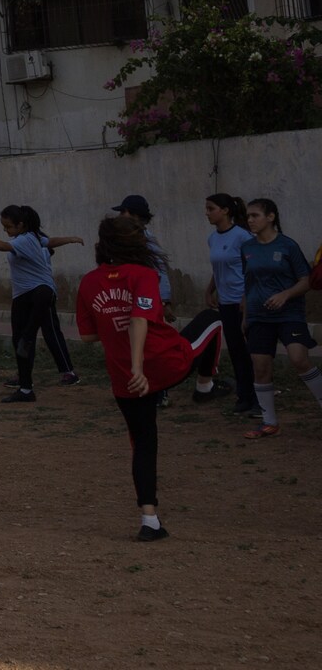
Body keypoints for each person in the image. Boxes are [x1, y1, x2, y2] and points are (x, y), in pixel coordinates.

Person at [72, 216, 225, 541]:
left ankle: (149, 520)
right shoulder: (143, 274)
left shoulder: (88, 282)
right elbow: (140, 319)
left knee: (143, 444)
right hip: (166, 363)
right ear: (136, 244)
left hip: (125, 379)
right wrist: (140, 364)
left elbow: (86, 337)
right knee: (214, 318)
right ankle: (205, 386)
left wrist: (114, 327)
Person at [0, 206, 83, 401]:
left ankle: (39, 355)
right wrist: (70, 239)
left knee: (36, 332)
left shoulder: (24, 239)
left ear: (21, 224)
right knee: (19, 340)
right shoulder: (34, 238)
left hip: (39, 291)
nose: (6, 231)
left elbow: (3, 246)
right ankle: (26, 388)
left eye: (8, 227)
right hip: (22, 294)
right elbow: (49, 241)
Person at [241, 196, 322, 438]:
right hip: (258, 316)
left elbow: (307, 280)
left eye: (255, 215)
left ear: (271, 217)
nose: (250, 220)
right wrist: (245, 316)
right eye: (248, 216)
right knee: (261, 367)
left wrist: (285, 295)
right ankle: (269, 422)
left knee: (299, 358)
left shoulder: (288, 246)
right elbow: (247, 284)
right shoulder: (247, 248)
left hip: (289, 314)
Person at [194, 193, 257, 413]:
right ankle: (243, 395)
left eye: (211, 208)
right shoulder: (213, 238)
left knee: (252, 351)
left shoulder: (242, 236)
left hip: (243, 302)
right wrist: (210, 289)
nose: (207, 213)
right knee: (237, 351)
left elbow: (251, 269)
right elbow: (218, 267)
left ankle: (257, 397)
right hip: (226, 302)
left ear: (225, 211)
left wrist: (245, 299)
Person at [111, 194, 173, 302]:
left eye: (122, 212)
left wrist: (164, 301)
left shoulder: (147, 241)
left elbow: (160, 270)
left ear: (135, 215)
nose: (119, 216)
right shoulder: (121, 238)